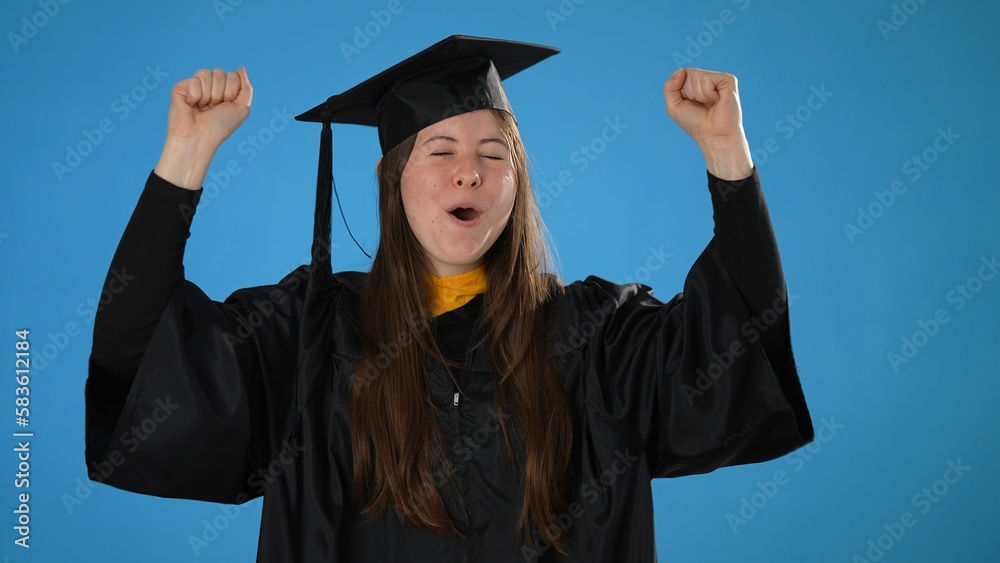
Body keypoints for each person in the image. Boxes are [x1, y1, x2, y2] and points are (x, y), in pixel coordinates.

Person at [85, 35, 812, 562]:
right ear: (393, 181)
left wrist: (727, 156)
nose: (470, 173)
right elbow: (137, 348)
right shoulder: (310, 336)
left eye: (493, 156)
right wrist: (185, 157)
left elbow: (738, 343)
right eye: (441, 152)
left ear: (516, 184)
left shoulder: (596, 340)